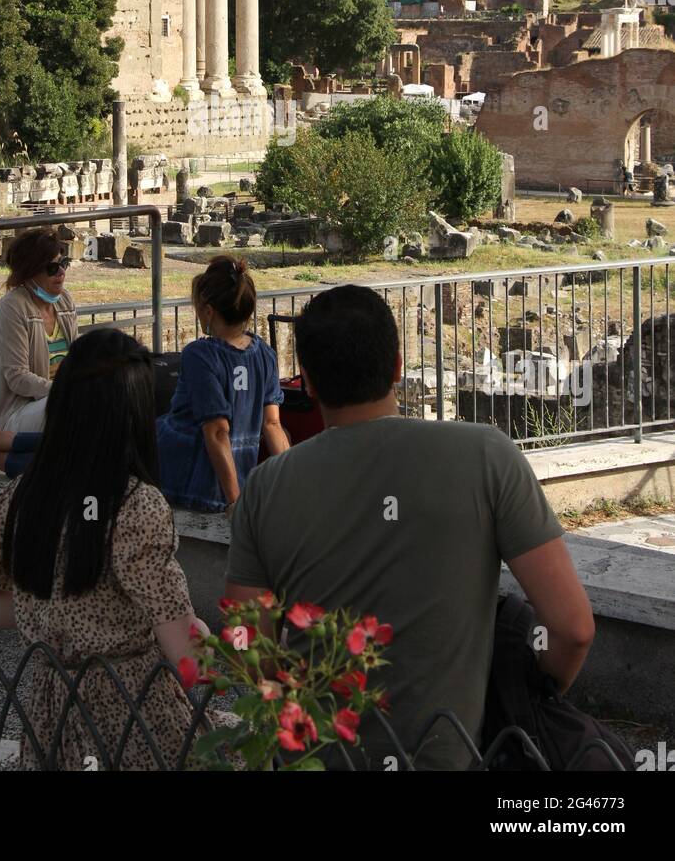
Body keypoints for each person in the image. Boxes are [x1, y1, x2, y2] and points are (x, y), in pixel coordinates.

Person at [224, 285, 595, 771]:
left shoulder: (265, 487)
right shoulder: (488, 458)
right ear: (398, 366)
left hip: (317, 756)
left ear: (308, 383)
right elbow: (573, 630)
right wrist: (532, 694)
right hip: (450, 756)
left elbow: (244, 642)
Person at [0, 328, 237, 771]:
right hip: (138, 719)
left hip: (52, 726)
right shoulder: (136, 506)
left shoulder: (19, 497)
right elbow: (189, 662)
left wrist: (48, 607)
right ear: (136, 415)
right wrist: (209, 632)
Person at [156, 256, 289, 513]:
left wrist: (234, 503)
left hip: (191, 484)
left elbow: (217, 430)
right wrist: (295, 484)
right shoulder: (265, 354)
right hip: (237, 479)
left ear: (208, 310)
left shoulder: (199, 355)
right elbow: (272, 425)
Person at [0, 228, 78, 434]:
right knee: (74, 407)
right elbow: (18, 377)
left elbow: (77, 358)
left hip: (60, 399)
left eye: (63, 263)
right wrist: (65, 391)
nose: (61, 272)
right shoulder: (13, 306)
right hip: (17, 411)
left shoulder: (65, 301)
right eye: (52, 268)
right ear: (30, 272)